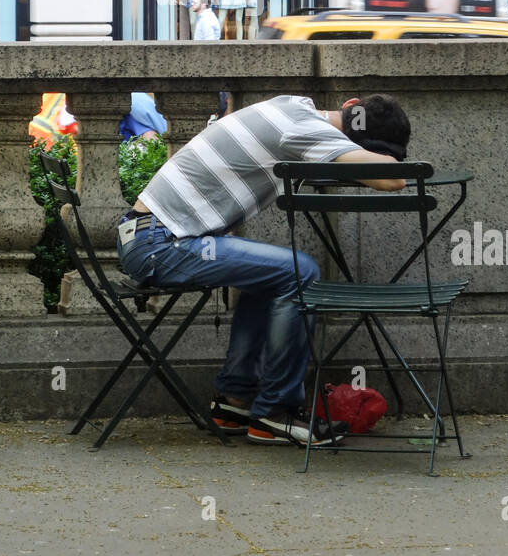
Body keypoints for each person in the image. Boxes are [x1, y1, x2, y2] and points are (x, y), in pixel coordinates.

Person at [116, 92, 411, 447]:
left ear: (350, 103)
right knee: (301, 272)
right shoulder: (309, 131)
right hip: (161, 246)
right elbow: (392, 179)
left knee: (273, 276)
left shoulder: (294, 105)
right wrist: (382, 158)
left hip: (147, 236)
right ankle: (276, 412)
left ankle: (235, 400)